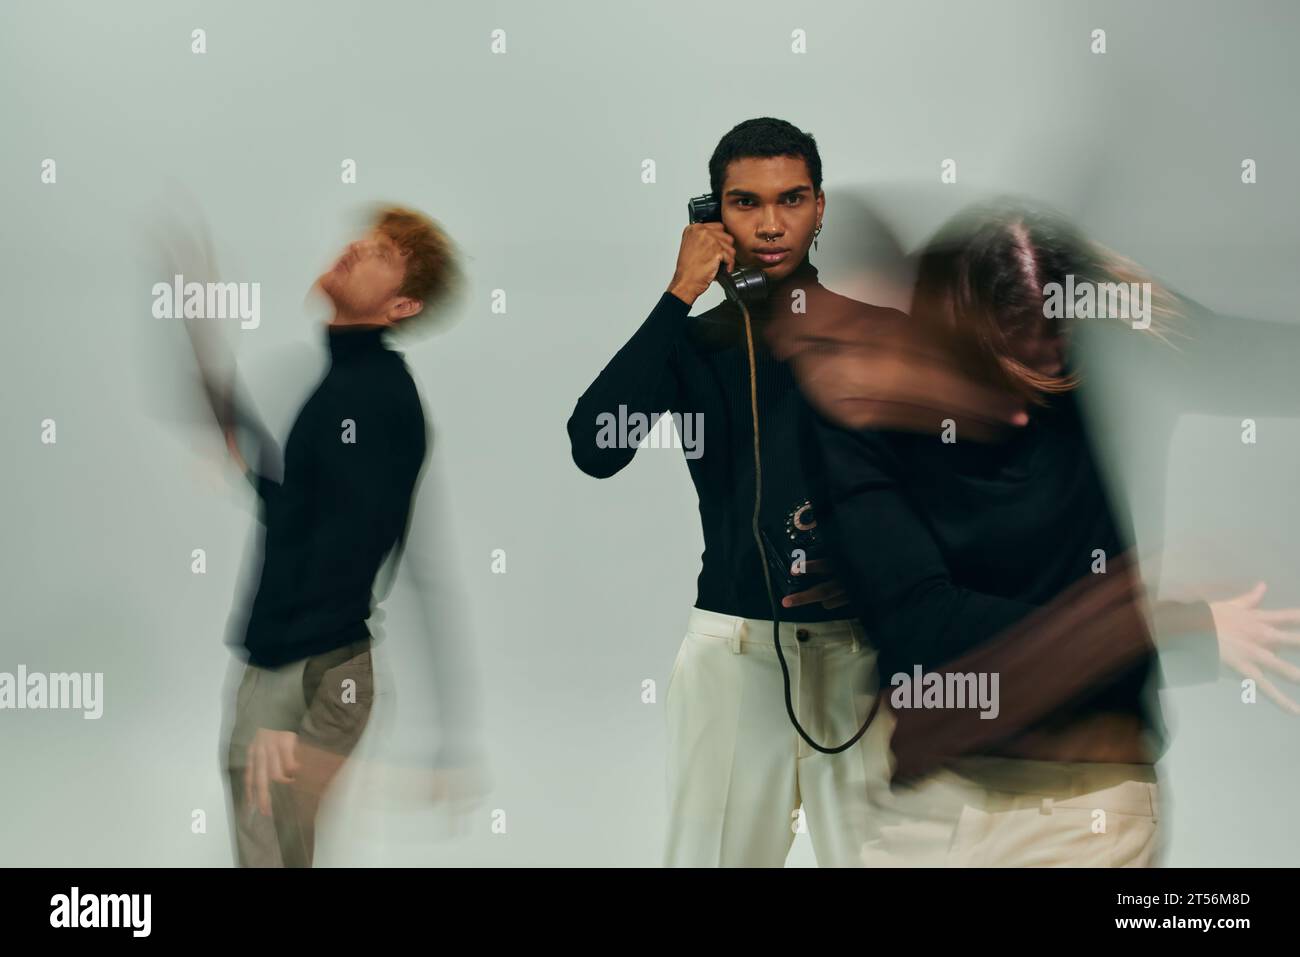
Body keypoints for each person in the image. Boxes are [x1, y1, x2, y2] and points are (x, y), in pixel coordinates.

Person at [784, 200, 1300, 866]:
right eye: (1014, 370)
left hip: (1086, 812)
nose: (1032, 405)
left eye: (1055, 363)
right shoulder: (851, 418)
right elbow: (924, 633)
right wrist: (1150, 621)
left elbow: (1230, 350)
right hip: (925, 813)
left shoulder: (1057, 360)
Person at [566, 118, 902, 866]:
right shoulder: (691, 345)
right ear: (713, 215)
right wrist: (680, 292)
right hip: (733, 651)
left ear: (821, 207)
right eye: (745, 203)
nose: (772, 223)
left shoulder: (879, 336)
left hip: (861, 655)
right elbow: (595, 446)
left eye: (792, 199)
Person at [207, 205, 460, 867]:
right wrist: (239, 438)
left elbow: (354, 553)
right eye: (364, 238)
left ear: (402, 303)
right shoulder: (350, 386)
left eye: (382, 252)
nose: (355, 250)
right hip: (308, 665)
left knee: (270, 853)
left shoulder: (375, 397)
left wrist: (288, 715)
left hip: (305, 667)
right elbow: (312, 518)